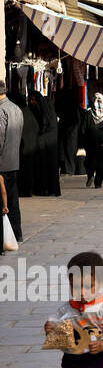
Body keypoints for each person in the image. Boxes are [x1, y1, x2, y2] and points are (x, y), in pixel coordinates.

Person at [0, 80, 24, 247]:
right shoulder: (16, 108)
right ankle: (17, 233)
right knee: (13, 199)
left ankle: (6, 235)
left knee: (4, 200)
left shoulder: (1, 110)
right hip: (13, 159)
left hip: (2, 161)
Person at [80, 93, 103, 190]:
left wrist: (82, 140)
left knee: (90, 160)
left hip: (90, 141)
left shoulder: (88, 114)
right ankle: (98, 183)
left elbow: (83, 129)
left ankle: (90, 176)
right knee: (101, 163)